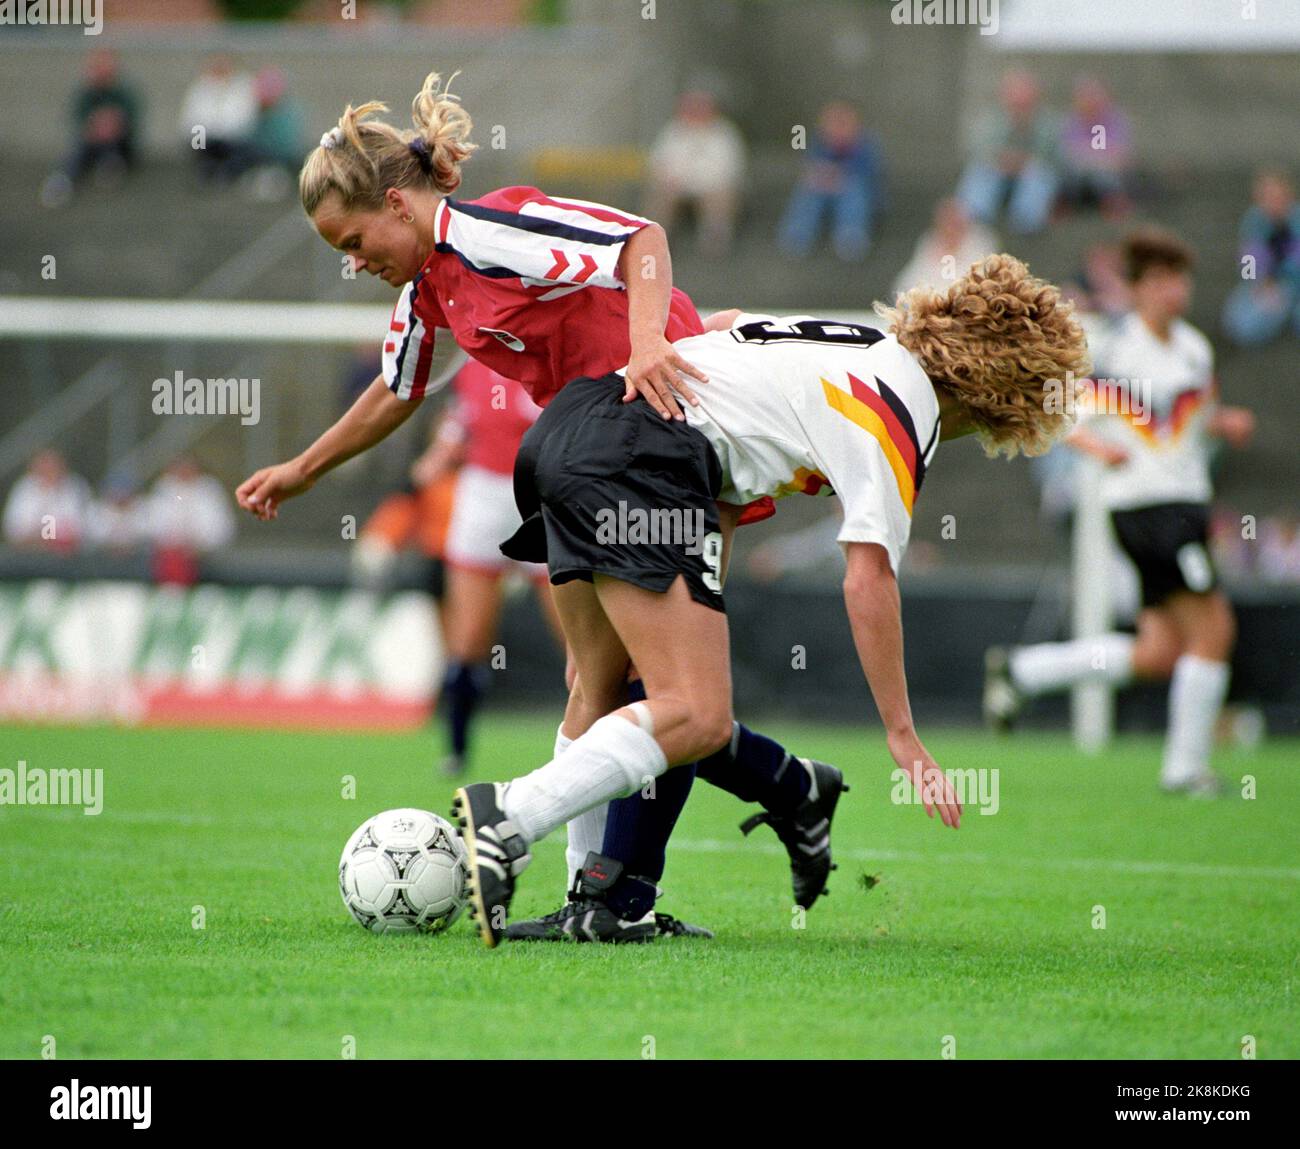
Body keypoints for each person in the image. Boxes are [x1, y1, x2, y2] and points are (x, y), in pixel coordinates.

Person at [234, 71, 844, 939]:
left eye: (354, 237)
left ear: (399, 205)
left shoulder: (489, 232)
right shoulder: (428, 289)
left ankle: (621, 900)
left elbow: (641, 242)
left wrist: (645, 350)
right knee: (599, 683)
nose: (352, 259)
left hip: (670, 434)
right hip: (593, 455)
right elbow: (397, 388)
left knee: (655, 688)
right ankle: (654, 866)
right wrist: (304, 467)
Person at [449, 253, 1092, 948]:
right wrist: (903, 734)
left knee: (603, 687)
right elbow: (868, 579)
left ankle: (599, 904)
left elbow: (720, 328)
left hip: (576, 427)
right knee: (693, 709)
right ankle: (510, 813)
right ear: (1007, 395)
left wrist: (709, 513)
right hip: (644, 461)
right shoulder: (904, 414)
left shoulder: (852, 341)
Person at [984, 229, 1255, 796]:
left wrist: (1222, 423)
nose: (1173, 291)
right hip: (1149, 507)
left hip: (1184, 501)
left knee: (1160, 651)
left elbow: (1190, 423)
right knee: (1214, 627)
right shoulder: (1111, 347)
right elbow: (1054, 406)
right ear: (1135, 288)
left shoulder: (1194, 349)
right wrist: (1094, 447)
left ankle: (1024, 672)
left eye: (1179, 278)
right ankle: (1184, 771)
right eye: (1159, 280)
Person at [407, 358, 564, 776]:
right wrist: (438, 456)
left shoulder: (545, 357)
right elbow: (459, 421)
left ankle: (596, 744)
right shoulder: (471, 364)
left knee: (575, 639)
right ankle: (456, 750)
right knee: (469, 639)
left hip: (538, 492)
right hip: (482, 495)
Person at [644, 89, 746, 258]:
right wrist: (668, 178)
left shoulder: (725, 134)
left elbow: (728, 170)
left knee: (721, 197)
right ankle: (653, 245)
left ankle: (714, 245)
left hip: (712, 186)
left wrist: (695, 180)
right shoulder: (673, 131)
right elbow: (658, 162)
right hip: (676, 185)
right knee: (658, 197)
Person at [956, 70, 1059, 236]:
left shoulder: (1048, 123)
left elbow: (1052, 156)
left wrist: (1023, 160)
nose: (1019, 105)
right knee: (979, 171)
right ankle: (975, 218)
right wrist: (1003, 160)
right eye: (1015, 100)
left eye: (1025, 100)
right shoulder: (989, 120)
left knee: (1039, 174)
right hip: (998, 171)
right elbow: (978, 149)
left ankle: (1026, 222)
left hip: (1030, 173)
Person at [779, 101, 884, 261]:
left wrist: (839, 175)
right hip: (823, 189)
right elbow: (808, 166)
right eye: (832, 123)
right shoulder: (816, 143)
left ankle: (851, 236)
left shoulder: (866, 145)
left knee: (854, 192)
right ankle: (798, 233)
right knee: (808, 191)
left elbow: (868, 175)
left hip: (855, 193)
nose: (837, 129)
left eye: (843, 123)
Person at [41, 49, 141, 209]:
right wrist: (96, 124)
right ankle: (63, 180)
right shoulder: (86, 93)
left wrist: (113, 123)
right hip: (92, 142)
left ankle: (110, 163)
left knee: (109, 133)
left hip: (120, 145)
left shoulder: (125, 92)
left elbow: (133, 122)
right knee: (79, 149)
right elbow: (78, 120)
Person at [1221, 170, 1300, 347]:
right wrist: (1260, 284)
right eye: (1266, 197)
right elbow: (1248, 264)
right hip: (1268, 285)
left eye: (1277, 196)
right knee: (1238, 322)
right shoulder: (1254, 222)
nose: (1273, 203)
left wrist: (1285, 286)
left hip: (1294, 284)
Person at [890, 197, 995, 298]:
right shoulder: (929, 242)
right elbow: (905, 282)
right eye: (946, 222)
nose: (950, 228)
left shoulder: (980, 245)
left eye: (955, 223)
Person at [1059, 76, 1133, 217]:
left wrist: (1089, 155)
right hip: (1078, 175)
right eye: (1086, 98)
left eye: (1095, 97)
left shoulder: (1116, 122)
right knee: (1068, 173)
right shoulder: (1071, 122)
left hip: (1106, 174)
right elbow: (1067, 154)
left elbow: (1121, 157)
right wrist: (1098, 156)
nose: (1090, 102)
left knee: (1105, 177)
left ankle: (1112, 206)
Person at [179, 54, 257, 184]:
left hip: (233, 137)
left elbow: (245, 117)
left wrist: (224, 130)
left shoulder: (242, 88)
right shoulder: (200, 88)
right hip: (207, 135)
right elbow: (191, 118)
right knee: (198, 141)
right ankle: (206, 169)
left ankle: (228, 171)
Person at [2, 450, 92, 552]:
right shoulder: (24, 488)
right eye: (44, 465)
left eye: (53, 465)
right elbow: (14, 529)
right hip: (29, 554)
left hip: (69, 557)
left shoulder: (76, 487)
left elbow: (85, 527)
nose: (49, 470)